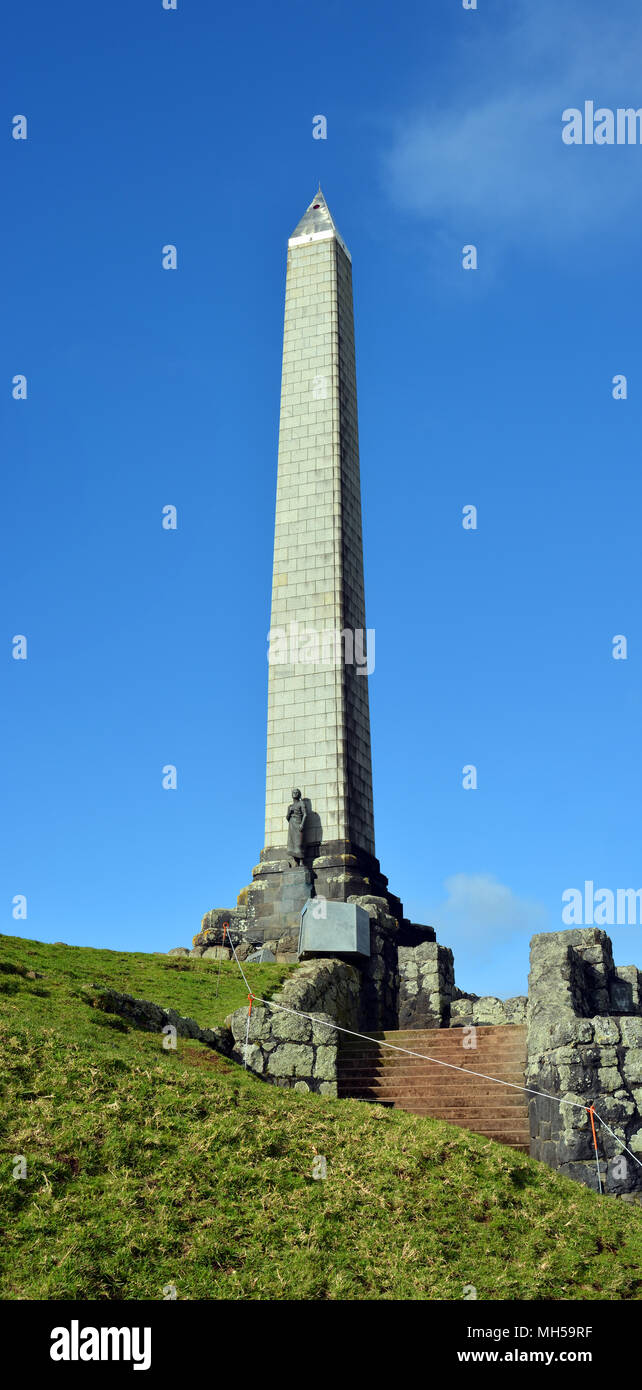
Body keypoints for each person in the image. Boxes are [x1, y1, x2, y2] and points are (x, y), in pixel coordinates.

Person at [286, 787, 307, 865]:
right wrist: (289, 812)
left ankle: (302, 861)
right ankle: (295, 861)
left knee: (299, 843)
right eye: (294, 792)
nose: (295, 793)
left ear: (299, 794)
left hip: (298, 824)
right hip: (292, 825)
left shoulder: (301, 803)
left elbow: (305, 814)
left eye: (297, 792)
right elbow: (287, 818)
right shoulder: (290, 806)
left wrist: (302, 824)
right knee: (292, 843)